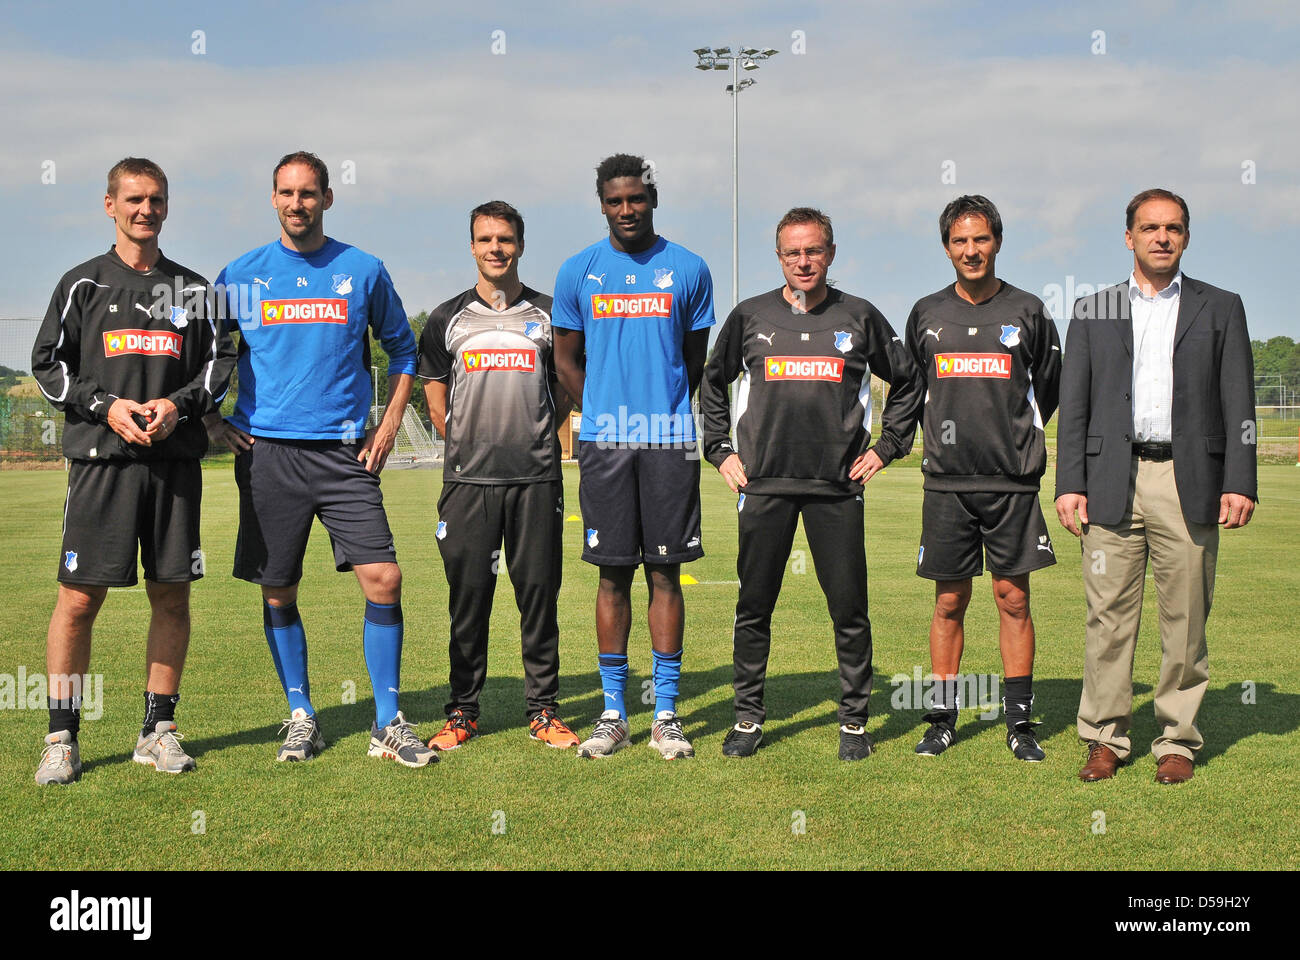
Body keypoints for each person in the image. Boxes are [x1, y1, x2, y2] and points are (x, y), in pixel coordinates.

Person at [208, 150, 435, 768]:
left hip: (343, 455)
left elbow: (404, 351)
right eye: (286, 192)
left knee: (383, 578)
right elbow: (197, 347)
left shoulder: (361, 270)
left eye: (309, 193)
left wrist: (388, 423)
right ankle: (302, 714)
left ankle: (388, 722)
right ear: (272, 199)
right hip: (267, 453)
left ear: (327, 199)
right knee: (279, 589)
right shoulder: (241, 273)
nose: (297, 203)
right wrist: (207, 417)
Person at [31, 157, 235, 784]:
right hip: (102, 465)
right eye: (134, 199)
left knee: (172, 595)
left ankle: (158, 729)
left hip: (173, 466)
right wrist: (107, 406)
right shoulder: (81, 285)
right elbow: (48, 364)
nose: (146, 209)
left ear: (167, 207)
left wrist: (177, 407)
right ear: (110, 205)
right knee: (78, 599)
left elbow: (219, 365)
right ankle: (62, 736)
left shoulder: (198, 291)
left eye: (157, 199)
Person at [700, 207, 921, 761]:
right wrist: (720, 450)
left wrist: (887, 447)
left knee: (848, 608)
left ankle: (853, 722)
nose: (804, 261)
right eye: (793, 252)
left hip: (837, 488)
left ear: (831, 253)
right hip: (765, 485)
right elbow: (710, 383)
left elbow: (911, 379)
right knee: (755, 605)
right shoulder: (750, 316)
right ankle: (748, 718)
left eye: (814, 250)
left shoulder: (861, 316)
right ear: (779, 257)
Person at [1056, 188, 1257, 785]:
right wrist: (1070, 483)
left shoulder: (1221, 307)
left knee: (1186, 618)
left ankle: (1177, 740)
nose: (1161, 237)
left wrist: (1239, 479)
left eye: (1172, 228)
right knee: (1107, 618)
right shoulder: (1094, 309)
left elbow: (1238, 397)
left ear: (1186, 237)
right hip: (1110, 479)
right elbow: (1076, 405)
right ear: (1129, 238)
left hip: (1187, 479)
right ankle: (1104, 738)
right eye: (1149, 228)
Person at [552, 153, 715, 760]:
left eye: (637, 199)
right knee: (612, 572)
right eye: (615, 201)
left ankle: (666, 712)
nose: (627, 210)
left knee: (665, 572)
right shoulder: (579, 271)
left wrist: (663, 406)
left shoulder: (688, 269)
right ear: (601, 204)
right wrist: (599, 410)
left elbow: (694, 359)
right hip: (605, 441)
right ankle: (615, 711)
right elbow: (565, 359)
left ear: (653, 199)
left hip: (669, 440)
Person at [894, 196, 1062, 762]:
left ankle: (1019, 722)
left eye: (981, 239)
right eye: (960, 241)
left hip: (1011, 484)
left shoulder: (1029, 311)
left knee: (1012, 598)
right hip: (946, 484)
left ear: (997, 241)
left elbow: (1050, 389)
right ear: (947, 247)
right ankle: (942, 718)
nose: (971, 250)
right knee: (949, 601)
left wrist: (1018, 441)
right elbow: (911, 391)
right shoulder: (925, 314)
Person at [417, 201, 579, 751]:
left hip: (535, 479)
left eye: (505, 239)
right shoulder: (447, 318)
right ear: (471, 246)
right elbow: (434, 387)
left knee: (538, 596)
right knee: (468, 599)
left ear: (520, 246)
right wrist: (459, 434)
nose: (495, 248)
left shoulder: (551, 315)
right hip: (467, 482)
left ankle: (543, 710)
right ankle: (462, 710)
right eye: (485, 239)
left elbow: (563, 391)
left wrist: (537, 432)